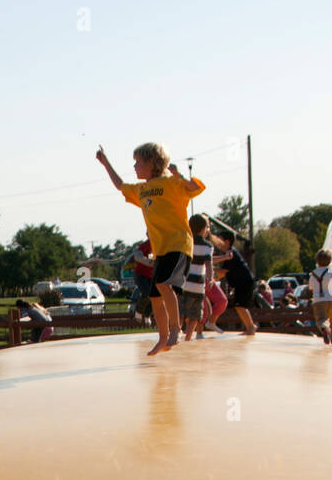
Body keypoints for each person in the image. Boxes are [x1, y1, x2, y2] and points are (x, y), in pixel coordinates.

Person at [95, 143, 205, 355]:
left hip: (179, 244)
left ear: (152, 163)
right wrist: (105, 163)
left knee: (164, 285)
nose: (135, 166)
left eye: (138, 162)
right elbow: (120, 185)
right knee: (155, 296)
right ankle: (163, 337)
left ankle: (176, 329)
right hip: (161, 249)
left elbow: (197, 188)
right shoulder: (142, 190)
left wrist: (179, 176)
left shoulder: (172, 183)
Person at [212, 230, 257, 336]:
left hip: (245, 281)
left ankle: (251, 327)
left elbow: (223, 272)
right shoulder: (229, 252)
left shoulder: (230, 253)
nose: (217, 242)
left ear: (227, 242)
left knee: (240, 306)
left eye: (220, 240)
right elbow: (223, 273)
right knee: (240, 306)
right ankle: (250, 326)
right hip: (242, 282)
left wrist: (209, 267)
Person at [179, 215, 213, 340]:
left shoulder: (185, 241)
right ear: (204, 229)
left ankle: (176, 333)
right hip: (197, 286)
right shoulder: (208, 246)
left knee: (180, 312)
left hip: (183, 284)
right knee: (194, 315)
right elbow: (208, 265)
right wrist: (210, 279)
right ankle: (188, 337)